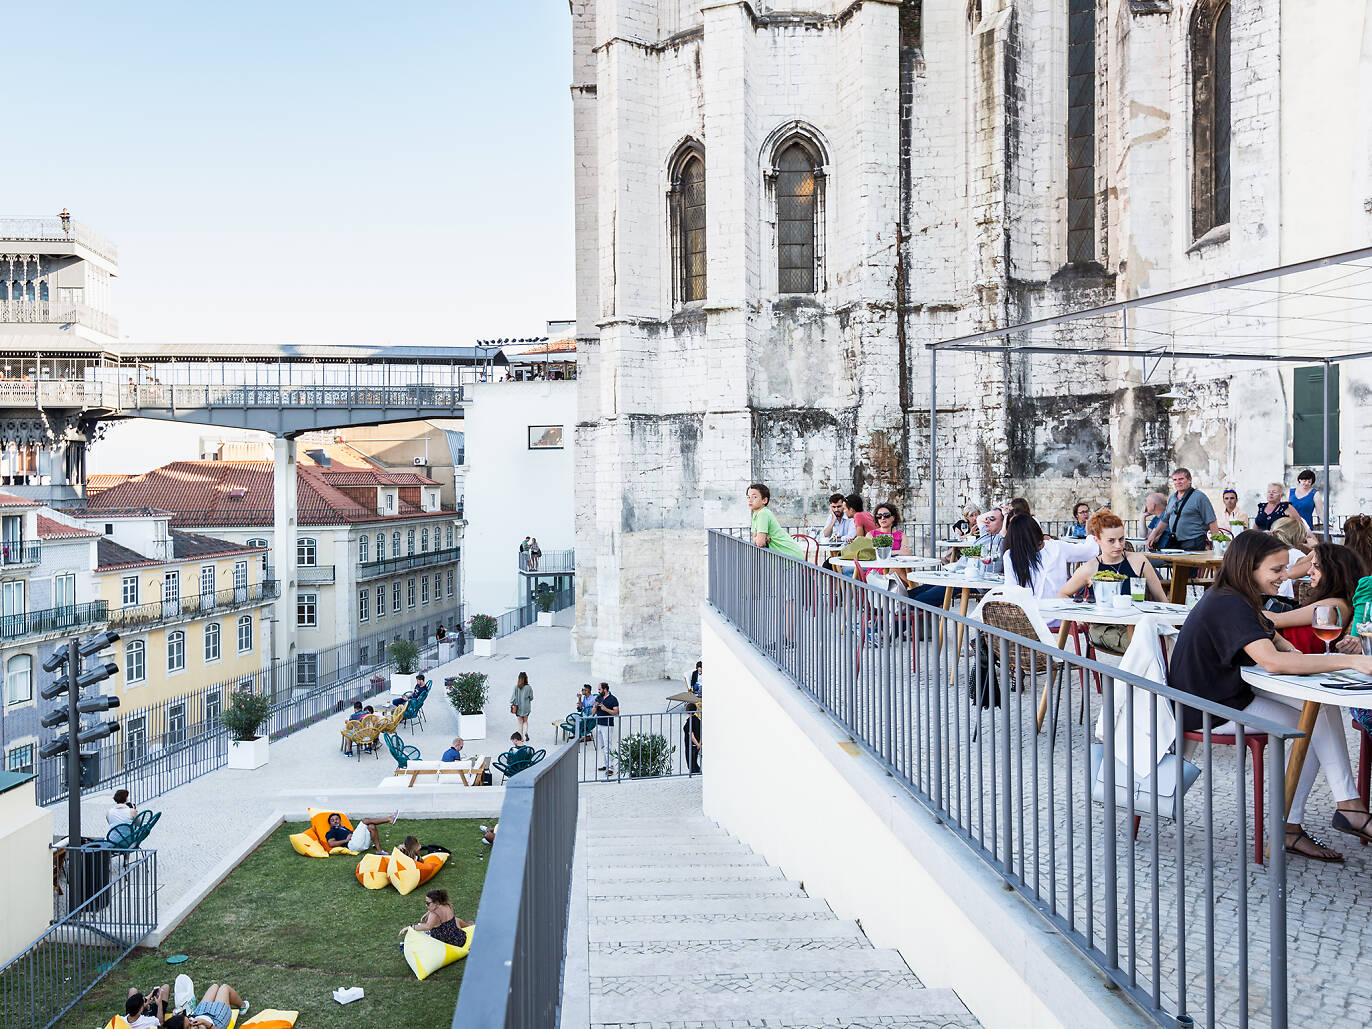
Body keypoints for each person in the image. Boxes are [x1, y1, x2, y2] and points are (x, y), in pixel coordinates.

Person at [1168, 529, 1372, 861]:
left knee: (1316, 712)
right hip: (1208, 708)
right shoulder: (1230, 603)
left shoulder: (1233, 596)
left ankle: (1323, 816)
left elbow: (1268, 631)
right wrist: (1351, 661)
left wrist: (1285, 644)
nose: (1285, 575)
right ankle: (1340, 811)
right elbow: (1272, 662)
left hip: (1220, 695)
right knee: (1314, 718)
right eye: (1276, 569)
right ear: (1249, 567)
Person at [1058, 509, 1168, 653]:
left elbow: (1161, 599)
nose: (1118, 545)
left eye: (1121, 539)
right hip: (1104, 627)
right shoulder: (1090, 568)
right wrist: (1077, 616)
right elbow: (1063, 594)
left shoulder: (1139, 561)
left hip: (1138, 624)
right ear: (1097, 540)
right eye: (1111, 541)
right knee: (1144, 644)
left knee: (1166, 640)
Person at [1267, 543, 1363, 653]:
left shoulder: (1333, 605)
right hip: (1284, 654)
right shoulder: (1336, 602)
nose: (1309, 572)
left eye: (1317, 566)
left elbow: (1273, 620)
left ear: (1335, 570)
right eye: (1311, 565)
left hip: (1292, 657)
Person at [1004, 514, 1099, 599]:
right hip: (1046, 609)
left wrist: (1090, 535)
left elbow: (1010, 589)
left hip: (1043, 609)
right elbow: (1090, 551)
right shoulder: (1010, 555)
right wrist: (1090, 534)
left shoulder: (1057, 547)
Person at [1146, 467, 1219, 551]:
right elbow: (1165, 520)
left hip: (1194, 541)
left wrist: (1216, 546)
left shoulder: (1199, 497)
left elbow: (1211, 521)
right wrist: (1153, 535)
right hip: (1175, 541)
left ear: (1189, 480)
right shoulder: (1172, 498)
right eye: (1175, 480)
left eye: (1181, 479)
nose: (1178, 482)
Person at [747, 483, 805, 560]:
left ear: (764, 500)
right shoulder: (756, 514)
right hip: (785, 556)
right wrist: (761, 538)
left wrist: (760, 539)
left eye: (754, 497)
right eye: (748, 497)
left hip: (791, 555)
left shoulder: (763, 514)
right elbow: (755, 538)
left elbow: (760, 543)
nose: (750, 500)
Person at [399, 888, 472, 948]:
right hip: (459, 939)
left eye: (428, 903)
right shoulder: (448, 905)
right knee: (455, 919)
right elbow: (439, 910)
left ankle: (405, 945)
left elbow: (427, 927)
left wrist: (410, 927)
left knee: (419, 931)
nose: (426, 905)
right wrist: (428, 912)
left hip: (447, 944)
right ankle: (469, 925)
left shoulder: (434, 914)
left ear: (436, 902)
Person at [162, 984, 247, 1029]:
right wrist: (206, 1023)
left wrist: (179, 1016)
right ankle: (243, 1006)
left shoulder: (180, 1025)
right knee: (224, 988)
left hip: (200, 1014)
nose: (191, 1023)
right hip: (216, 1021)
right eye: (189, 1026)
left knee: (215, 986)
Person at [1270, 517, 1316, 597]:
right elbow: (1307, 565)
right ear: (1299, 538)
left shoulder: (1271, 551)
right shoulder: (1295, 554)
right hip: (1284, 595)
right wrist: (1315, 548)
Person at [593, 682, 619, 776]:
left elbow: (616, 713)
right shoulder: (598, 698)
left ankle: (611, 767)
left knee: (608, 746)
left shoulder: (613, 699)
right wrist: (595, 706)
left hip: (608, 725)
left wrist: (605, 709)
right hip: (599, 724)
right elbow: (593, 713)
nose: (598, 691)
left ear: (605, 689)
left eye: (599, 689)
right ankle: (606, 764)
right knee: (603, 746)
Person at [510, 671, 534, 740]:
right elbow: (531, 698)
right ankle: (526, 732)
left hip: (518, 708)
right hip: (526, 707)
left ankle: (521, 738)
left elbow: (512, 698)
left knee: (520, 723)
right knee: (525, 721)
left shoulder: (516, 687)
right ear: (526, 678)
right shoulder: (529, 687)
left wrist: (512, 703)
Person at [684, 702, 702, 775]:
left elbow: (691, 735)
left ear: (687, 711)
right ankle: (699, 774)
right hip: (696, 745)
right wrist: (699, 744)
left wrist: (697, 744)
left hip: (691, 745)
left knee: (691, 764)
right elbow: (701, 733)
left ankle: (696, 776)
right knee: (694, 762)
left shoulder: (689, 721)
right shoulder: (698, 720)